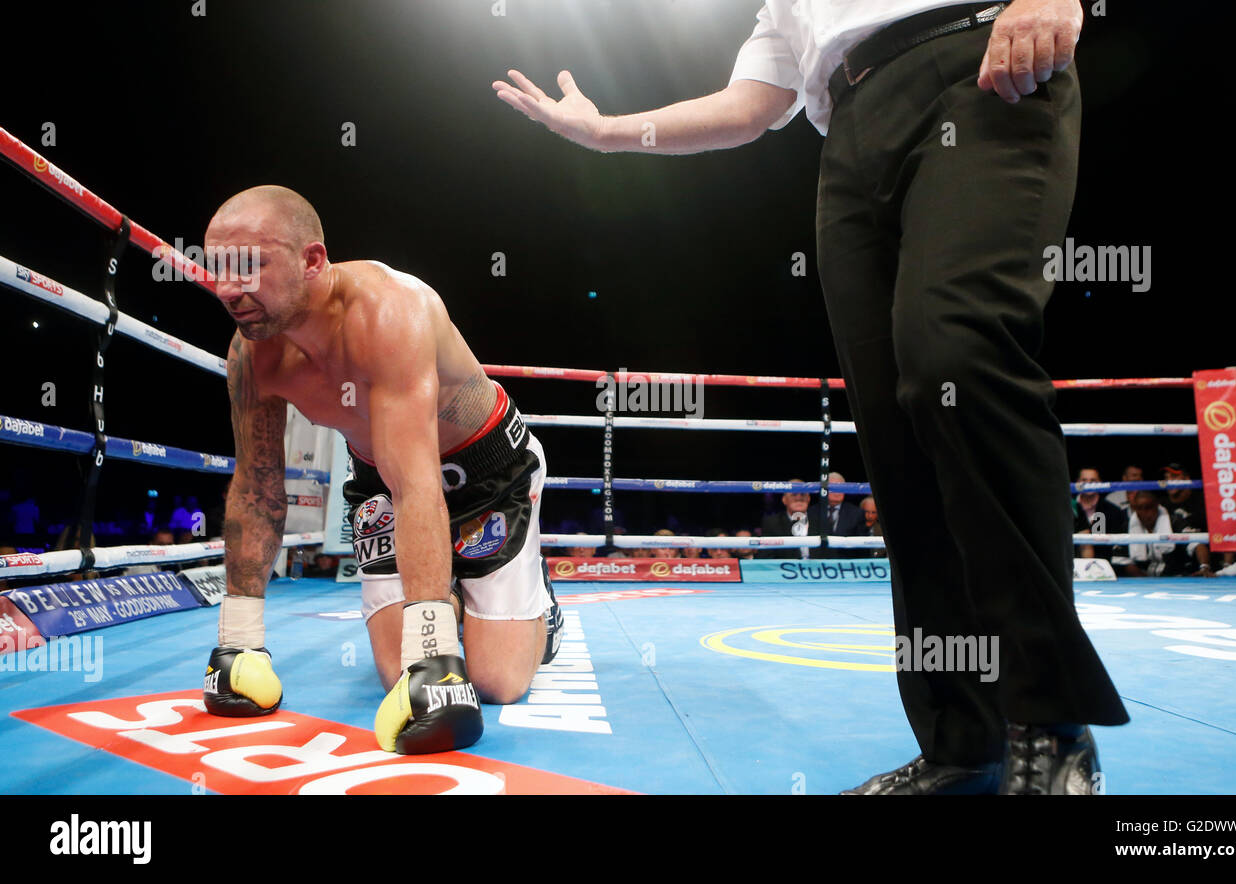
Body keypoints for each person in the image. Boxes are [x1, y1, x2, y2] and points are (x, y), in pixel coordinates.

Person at [495, 0, 1126, 794]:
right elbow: (748, 106)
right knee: (896, 445)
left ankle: (1051, 726)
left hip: (980, 62)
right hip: (851, 131)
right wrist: (607, 130)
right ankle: (963, 743)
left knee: (954, 352)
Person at [200, 185, 563, 755]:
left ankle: (532, 600)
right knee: (398, 673)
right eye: (216, 268)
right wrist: (237, 641)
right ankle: (452, 597)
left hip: (486, 471)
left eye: (250, 266)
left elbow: (417, 482)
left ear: (312, 260)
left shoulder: (390, 310)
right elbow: (256, 489)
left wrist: (437, 659)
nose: (227, 289)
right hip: (380, 477)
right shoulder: (253, 353)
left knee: (496, 684)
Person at [1071, 467, 1127, 564]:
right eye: (1084, 480)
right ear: (1077, 482)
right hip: (1071, 565)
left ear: (1100, 482)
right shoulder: (1068, 507)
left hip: (1105, 566)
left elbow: (1117, 546)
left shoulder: (1113, 511)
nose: (1088, 484)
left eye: (1093, 480)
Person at [758, 481, 815, 560]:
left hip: (820, 570)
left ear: (809, 498)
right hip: (785, 570)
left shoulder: (820, 520)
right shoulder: (772, 523)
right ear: (784, 500)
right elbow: (766, 556)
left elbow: (831, 553)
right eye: (794, 494)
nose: (799, 498)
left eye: (803, 494)